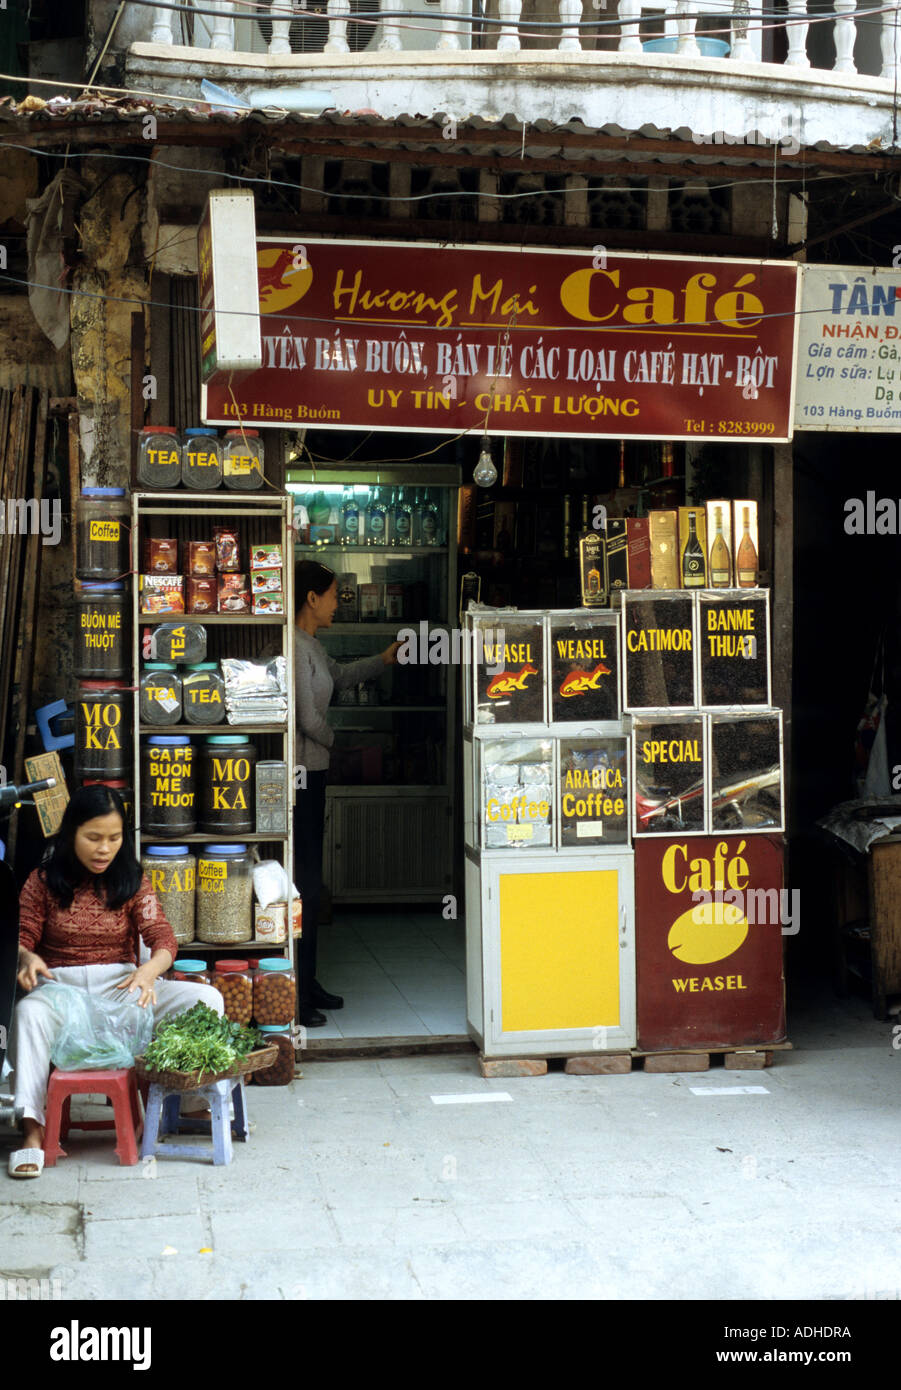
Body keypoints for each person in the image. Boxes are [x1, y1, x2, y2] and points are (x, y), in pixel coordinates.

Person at [8, 785, 224, 1178]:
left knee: (206, 999)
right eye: (93, 837)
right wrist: (27, 957)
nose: (104, 848)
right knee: (27, 1015)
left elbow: (163, 938)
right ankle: (33, 1132)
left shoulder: (132, 879)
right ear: (71, 832)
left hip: (123, 989)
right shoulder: (41, 882)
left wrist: (149, 971)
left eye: (114, 837)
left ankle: (189, 1105)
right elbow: (20, 937)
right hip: (60, 991)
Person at [294, 559, 400, 1026]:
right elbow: (304, 718)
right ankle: (295, 990)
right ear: (312, 599)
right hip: (301, 777)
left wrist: (382, 661)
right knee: (302, 884)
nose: (339, 603)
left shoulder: (313, 646)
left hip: (315, 772)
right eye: (333, 595)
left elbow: (338, 677)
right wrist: (338, 741)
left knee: (312, 885)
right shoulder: (293, 647)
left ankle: (308, 981)